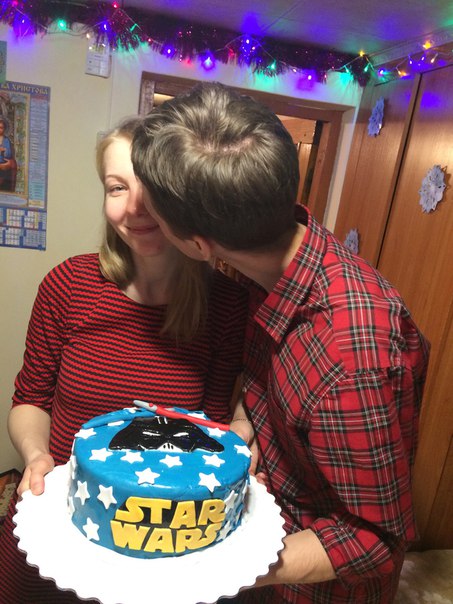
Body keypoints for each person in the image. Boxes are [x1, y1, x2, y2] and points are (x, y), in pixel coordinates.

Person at [131, 82, 430, 604]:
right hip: (271, 521)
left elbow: (377, 541)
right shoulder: (268, 258)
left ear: (198, 245)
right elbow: (267, 376)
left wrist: (230, 567)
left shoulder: (348, 356)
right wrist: (244, 427)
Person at [0, 116, 248, 603]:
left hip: (156, 541)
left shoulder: (227, 305)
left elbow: (214, 427)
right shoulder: (67, 285)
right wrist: (35, 455)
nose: (134, 207)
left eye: (151, 188)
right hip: (61, 521)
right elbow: (29, 400)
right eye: (117, 187)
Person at [0, 116, 16, 191]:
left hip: (4, 164)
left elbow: (9, 154)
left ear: (4, 129)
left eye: (1, 128)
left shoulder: (6, 140)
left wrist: (4, 151)